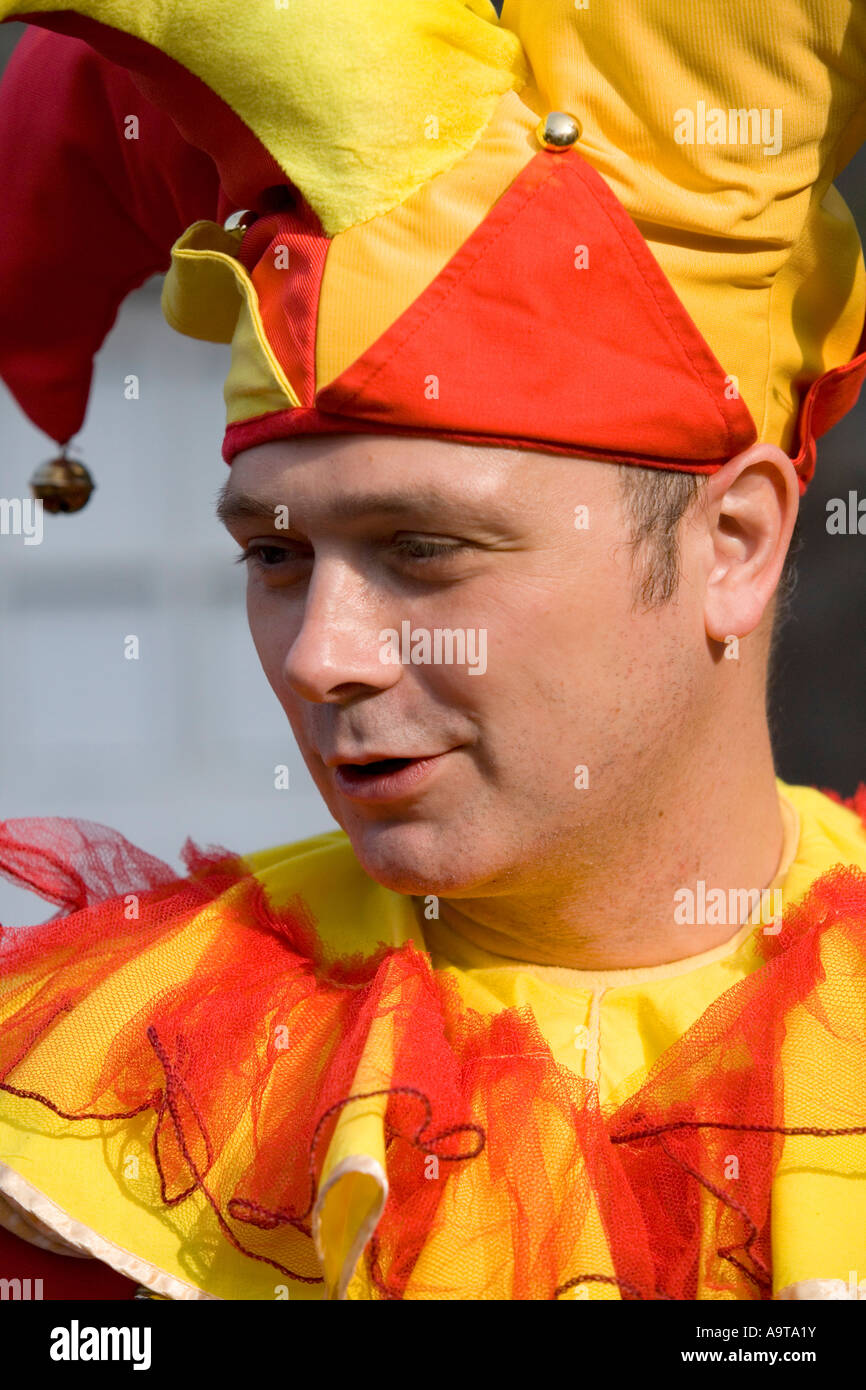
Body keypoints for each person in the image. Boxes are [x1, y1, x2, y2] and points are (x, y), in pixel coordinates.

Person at [0, 0, 865, 1302]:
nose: (318, 656)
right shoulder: (89, 1113)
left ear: (731, 542)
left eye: (423, 549)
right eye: (276, 556)